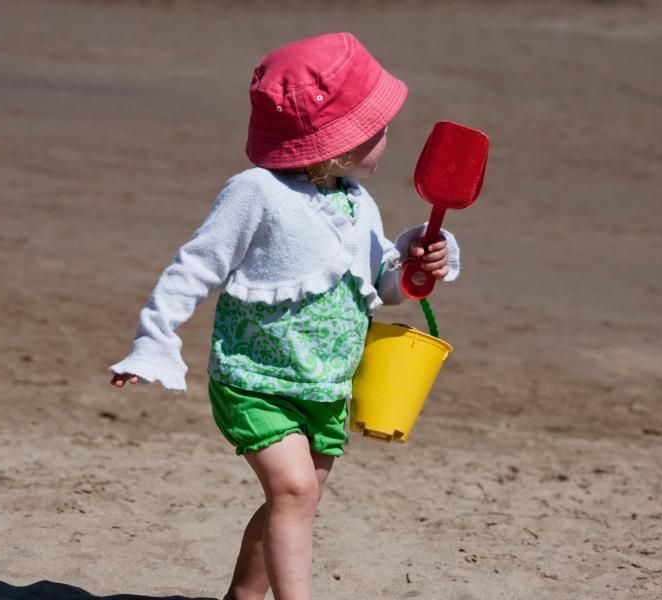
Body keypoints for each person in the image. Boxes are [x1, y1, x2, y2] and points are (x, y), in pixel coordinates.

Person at [109, 32, 461, 600]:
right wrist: (153, 340)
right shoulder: (256, 193)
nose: (387, 137)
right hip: (255, 381)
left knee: (295, 499)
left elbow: (382, 289)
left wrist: (420, 261)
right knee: (295, 492)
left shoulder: (356, 202)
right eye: (377, 128)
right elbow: (194, 266)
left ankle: (242, 597)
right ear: (338, 141)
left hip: (326, 384)